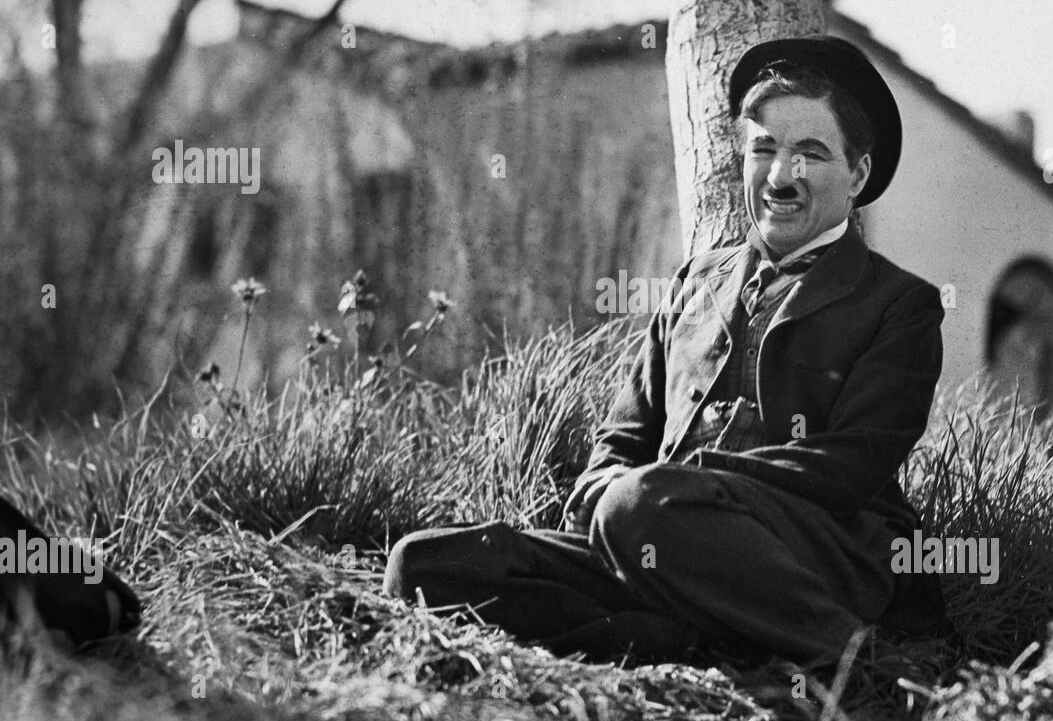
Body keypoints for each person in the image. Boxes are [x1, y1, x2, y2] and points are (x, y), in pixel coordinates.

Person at [384, 34, 948, 667]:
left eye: (810, 154)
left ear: (858, 174)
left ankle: (854, 658)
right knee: (427, 565)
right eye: (763, 149)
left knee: (640, 507)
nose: (781, 176)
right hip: (650, 538)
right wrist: (604, 492)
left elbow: (848, 468)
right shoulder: (695, 282)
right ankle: (690, 641)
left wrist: (677, 490)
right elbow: (622, 441)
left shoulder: (901, 304)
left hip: (813, 556)